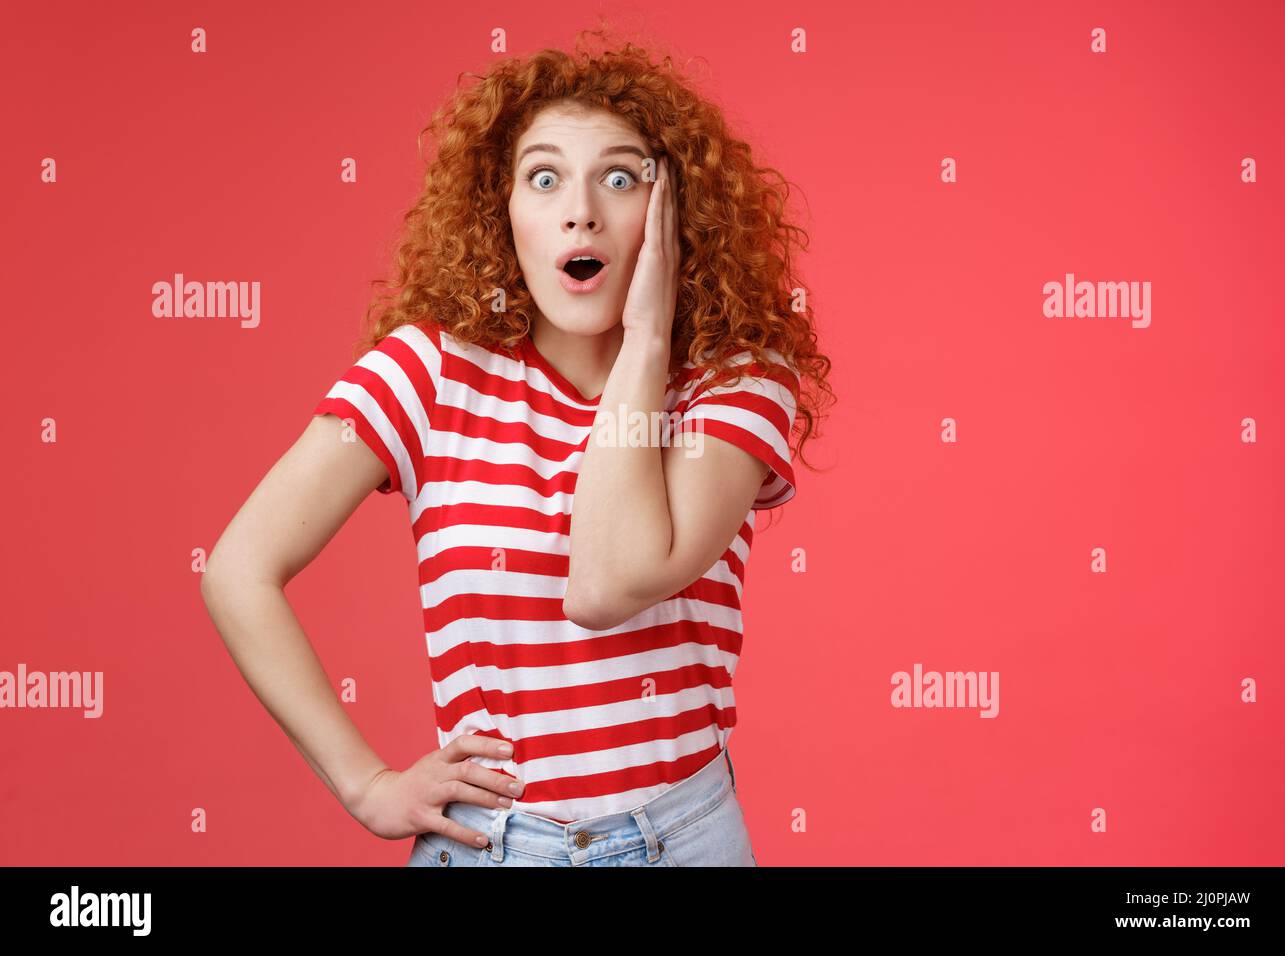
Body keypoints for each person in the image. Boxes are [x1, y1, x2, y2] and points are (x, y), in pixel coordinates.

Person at [201, 29, 833, 867]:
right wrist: (366, 784)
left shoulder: (735, 381)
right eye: (544, 179)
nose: (582, 210)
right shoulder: (426, 373)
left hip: (685, 839)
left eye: (621, 177)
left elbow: (605, 583)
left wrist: (646, 340)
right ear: (501, 214)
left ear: (677, 211)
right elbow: (238, 568)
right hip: (492, 848)